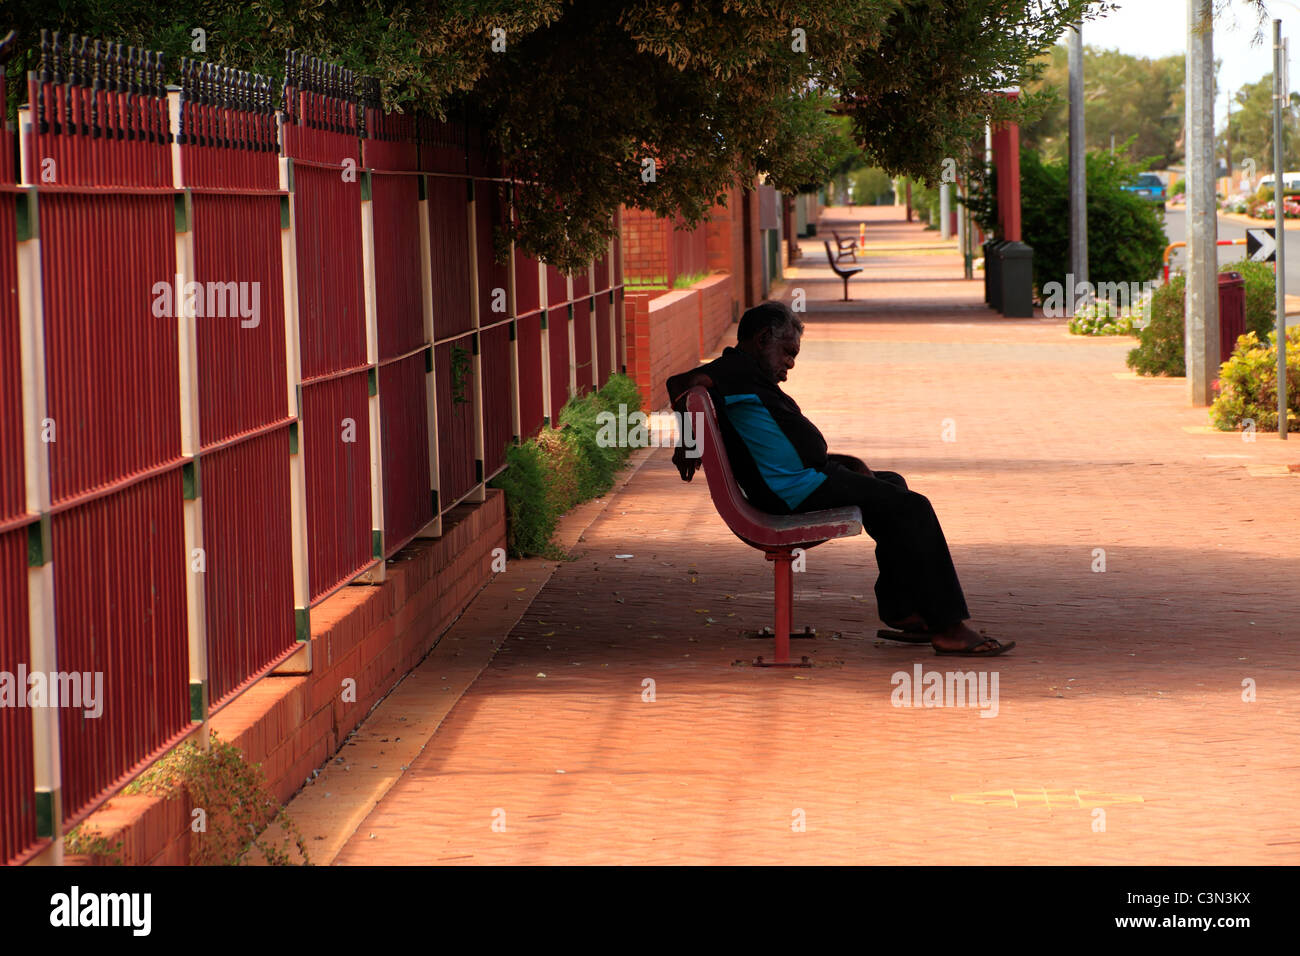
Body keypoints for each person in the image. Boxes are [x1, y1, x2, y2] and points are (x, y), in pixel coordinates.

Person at [666, 300, 1013, 656]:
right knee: (914, 508)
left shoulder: (745, 372)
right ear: (763, 338)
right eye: (787, 352)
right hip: (792, 491)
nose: (790, 364)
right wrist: (689, 444)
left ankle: (905, 610)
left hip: (804, 479)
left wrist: (845, 463)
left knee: (891, 484)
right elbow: (679, 383)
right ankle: (949, 628)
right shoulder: (732, 370)